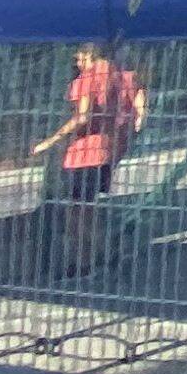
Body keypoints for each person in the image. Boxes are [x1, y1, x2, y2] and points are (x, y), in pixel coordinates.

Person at [30, 41, 145, 275]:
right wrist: (138, 120)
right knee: (87, 210)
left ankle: (107, 254)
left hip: (84, 153)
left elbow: (82, 116)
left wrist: (49, 142)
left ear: (90, 55)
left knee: (75, 216)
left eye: (80, 59)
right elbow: (139, 96)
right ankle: (86, 262)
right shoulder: (121, 76)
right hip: (108, 150)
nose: (78, 64)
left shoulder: (87, 80)